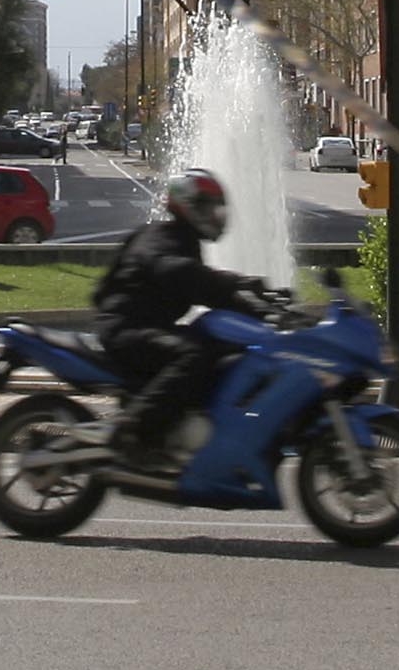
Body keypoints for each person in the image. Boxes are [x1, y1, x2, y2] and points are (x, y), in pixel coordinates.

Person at [91, 169, 276, 464]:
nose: (214, 214)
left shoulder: (184, 240)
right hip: (126, 328)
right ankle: (134, 430)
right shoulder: (162, 237)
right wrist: (235, 282)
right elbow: (177, 271)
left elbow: (211, 294)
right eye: (207, 206)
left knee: (218, 347)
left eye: (216, 207)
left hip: (143, 325)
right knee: (192, 355)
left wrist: (264, 310)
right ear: (188, 204)